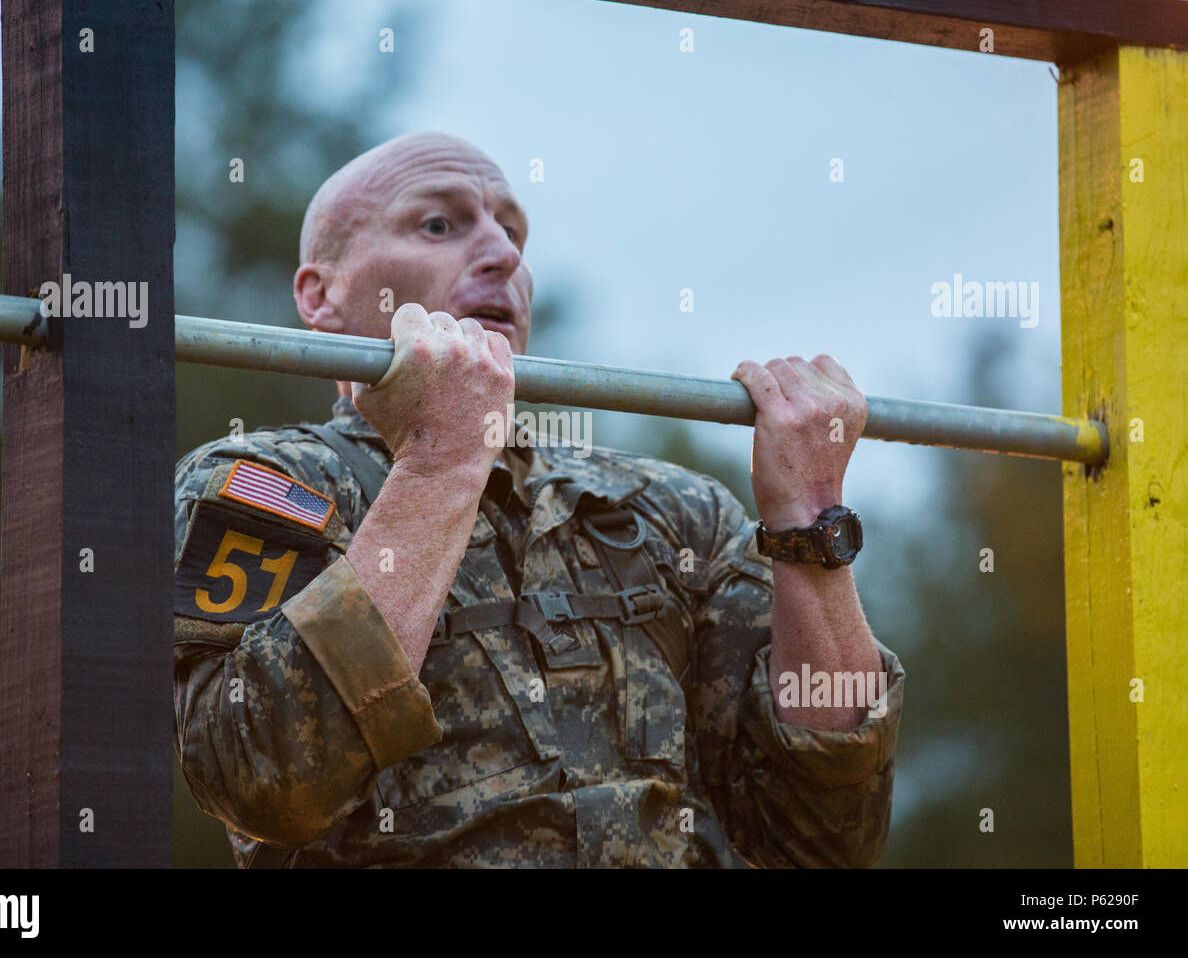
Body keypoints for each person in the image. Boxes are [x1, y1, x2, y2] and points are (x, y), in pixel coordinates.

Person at [172, 130, 905, 868]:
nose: (504, 254)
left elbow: (825, 836)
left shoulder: (676, 511)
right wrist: (441, 462)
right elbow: (267, 777)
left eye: (513, 230)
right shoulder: (267, 481)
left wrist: (809, 523)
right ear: (321, 295)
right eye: (439, 224)